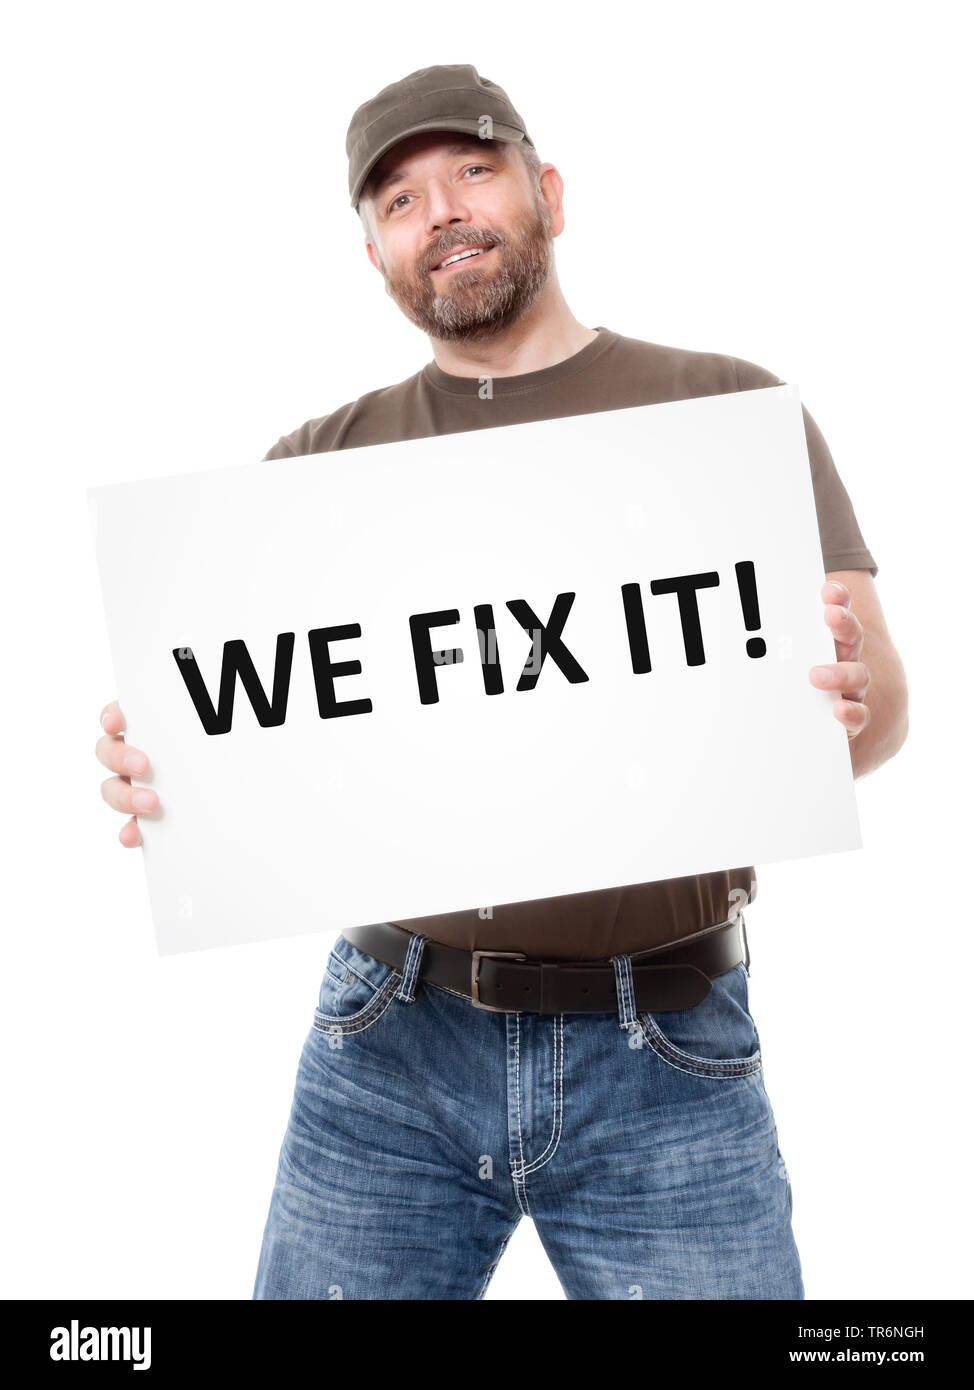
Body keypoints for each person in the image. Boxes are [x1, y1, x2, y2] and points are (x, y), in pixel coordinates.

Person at [94, 64, 909, 1299]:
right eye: (402, 200)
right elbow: (251, 736)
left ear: (548, 193)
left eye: (472, 171)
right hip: (389, 1039)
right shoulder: (313, 466)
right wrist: (168, 772)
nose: (445, 213)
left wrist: (845, 703)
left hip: (667, 1044)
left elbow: (877, 713)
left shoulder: (724, 414)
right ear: (373, 252)